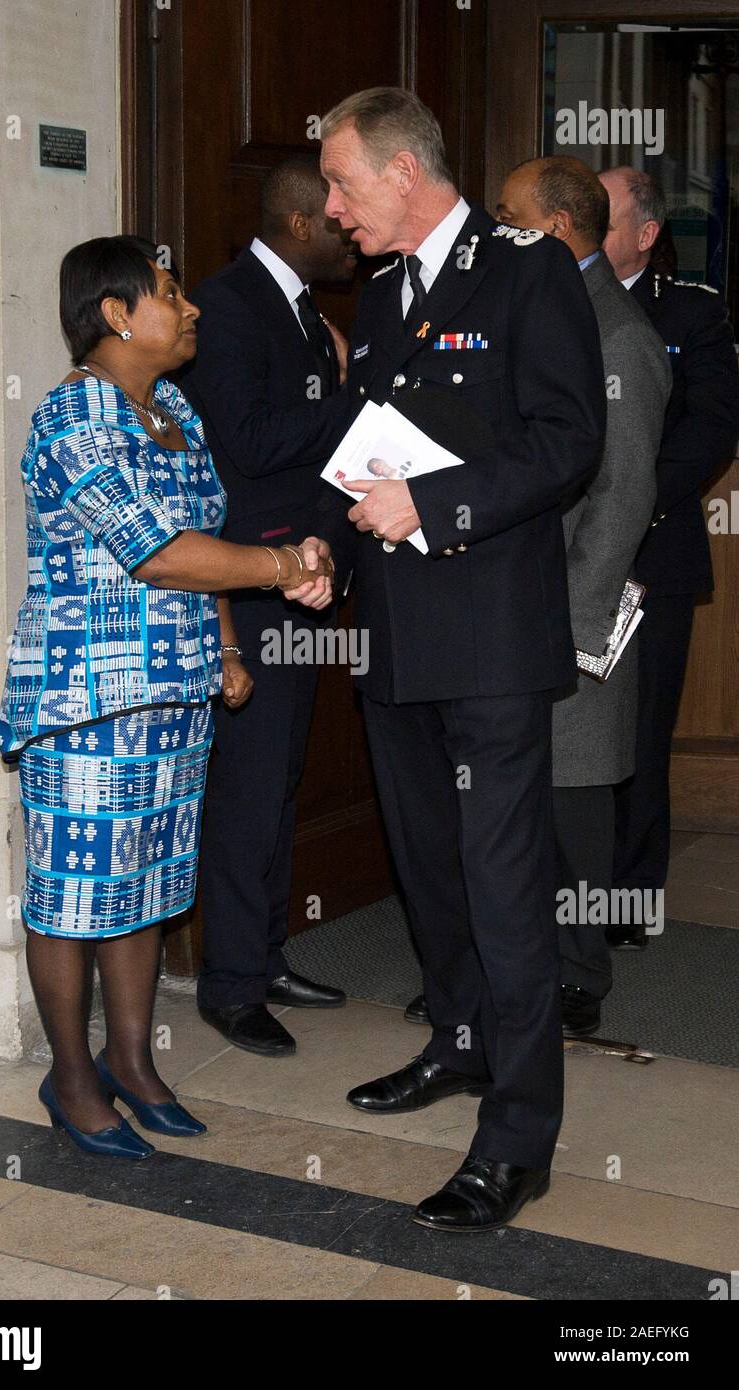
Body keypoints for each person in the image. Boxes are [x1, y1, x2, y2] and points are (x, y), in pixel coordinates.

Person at [319, 88, 606, 1231]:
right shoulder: (384, 287)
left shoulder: (528, 268)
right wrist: (319, 549)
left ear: (403, 170)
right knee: (429, 866)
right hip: (396, 630)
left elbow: (568, 442)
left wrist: (432, 503)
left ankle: (518, 1136)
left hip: (488, 634)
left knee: (502, 887)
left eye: (343, 184)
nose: (332, 210)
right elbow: (364, 440)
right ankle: (462, 1037)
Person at [0, 235, 333, 1158]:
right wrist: (284, 565)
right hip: (89, 698)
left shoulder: (172, 406)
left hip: (174, 691)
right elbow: (155, 550)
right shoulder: (74, 419)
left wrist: (226, 641)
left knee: (142, 884)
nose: (191, 309)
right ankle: (71, 1079)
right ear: (115, 314)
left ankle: (134, 1063)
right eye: (170, 295)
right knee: (72, 896)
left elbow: (197, 535)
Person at [180, 155, 354, 1057]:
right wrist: (351, 397)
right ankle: (231, 983)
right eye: (335, 215)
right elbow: (246, 445)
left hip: (300, 575)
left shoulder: (298, 309)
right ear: (297, 222)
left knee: (278, 777)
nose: (349, 229)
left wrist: (325, 555)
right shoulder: (229, 303)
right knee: (248, 783)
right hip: (248, 581)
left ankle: (263, 952)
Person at [497, 157, 670, 1037]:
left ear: (556, 227)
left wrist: (574, 621)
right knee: (517, 803)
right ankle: (516, 969)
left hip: (570, 613)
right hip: (509, 603)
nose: (494, 227)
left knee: (573, 806)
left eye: (509, 214)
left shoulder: (619, 338)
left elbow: (624, 494)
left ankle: (577, 977)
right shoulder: (531, 306)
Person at [599, 167, 739, 946]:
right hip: (555, 560)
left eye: (601, 212)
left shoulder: (691, 314)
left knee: (640, 735)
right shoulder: (548, 304)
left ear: (645, 236)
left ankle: (623, 903)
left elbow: (708, 432)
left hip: (650, 559)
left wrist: (625, 505)